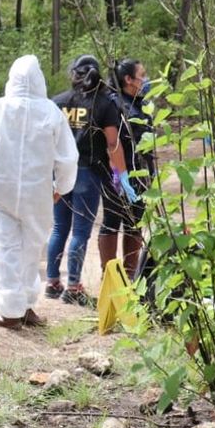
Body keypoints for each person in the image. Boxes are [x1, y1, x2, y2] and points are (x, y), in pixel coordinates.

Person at [0, 55, 78, 328]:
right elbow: (68, 158)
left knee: (2, 248)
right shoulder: (51, 112)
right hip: (38, 192)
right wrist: (62, 187)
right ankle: (25, 306)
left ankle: (10, 311)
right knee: (31, 249)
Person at [45, 54, 135, 307]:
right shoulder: (104, 103)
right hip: (87, 173)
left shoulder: (58, 102)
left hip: (59, 171)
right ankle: (73, 286)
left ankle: (52, 282)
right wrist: (122, 175)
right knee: (80, 232)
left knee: (59, 228)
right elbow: (112, 143)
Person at [99, 58, 155, 278]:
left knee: (134, 224)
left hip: (139, 175)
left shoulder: (140, 104)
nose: (146, 79)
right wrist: (118, 174)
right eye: (142, 74)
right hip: (117, 175)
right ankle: (110, 276)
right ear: (128, 79)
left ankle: (130, 277)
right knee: (112, 222)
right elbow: (111, 142)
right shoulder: (114, 104)